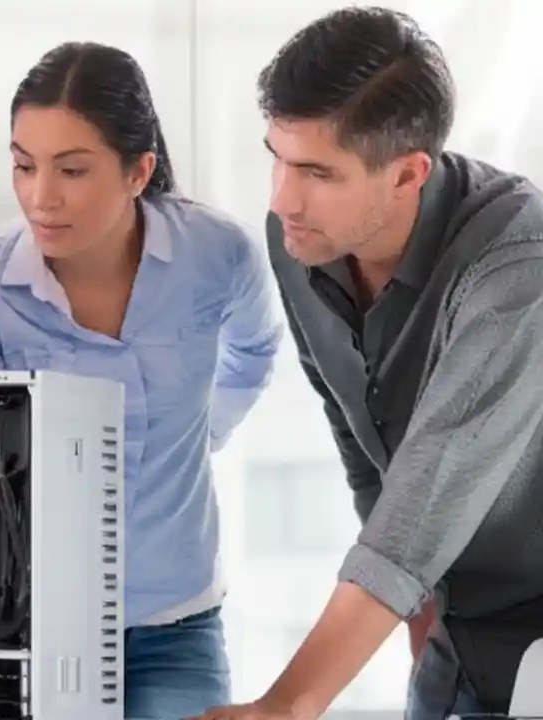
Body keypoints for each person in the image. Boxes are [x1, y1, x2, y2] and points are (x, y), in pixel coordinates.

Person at [193, 7, 543, 720]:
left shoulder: (517, 267)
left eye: (317, 172)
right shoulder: (301, 238)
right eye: (277, 157)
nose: (282, 198)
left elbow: (430, 486)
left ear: (407, 174)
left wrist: (285, 705)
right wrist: (411, 608)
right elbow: (359, 435)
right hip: (452, 643)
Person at [0, 41, 283, 719]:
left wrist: (202, 432)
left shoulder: (218, 254)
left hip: (175, 621)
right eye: (24, 166)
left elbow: (256, 350)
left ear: (138, 170)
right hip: (29, 623)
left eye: (72, 170)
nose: (42, 197)